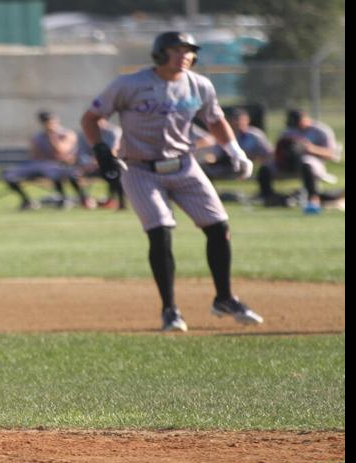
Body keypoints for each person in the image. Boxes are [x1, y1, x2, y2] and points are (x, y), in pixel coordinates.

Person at [81, 31, 263, 333]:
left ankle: (225, 298)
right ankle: (170, 310)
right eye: (176, 50)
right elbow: (90, 118)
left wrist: (235, 151)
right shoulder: (130, 84)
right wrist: (101, 148)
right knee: (161, 231)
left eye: (189, 51)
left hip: (184, 164)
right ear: (159, 54)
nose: (184, 56)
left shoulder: (199, 85)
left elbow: (214, 119)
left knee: (219, 227)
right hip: (140, 168)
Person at [2, 111, 95, 210]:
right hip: (41, 164)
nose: (49, 124)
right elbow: (34, 155)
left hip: (60, 165)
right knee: (9, 174)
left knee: (56, 173)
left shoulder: (66, 134)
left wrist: (52, 137)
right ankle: (27, 201)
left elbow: (62, 151)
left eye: (51, 121)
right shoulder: (38, 136)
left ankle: (69, 199)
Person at [276, 109, 343, 214]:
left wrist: (311, 149)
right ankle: (269, 197)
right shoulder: (288, 131)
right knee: (266, 168)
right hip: (287, 163)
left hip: (314, 162)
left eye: (297, 122)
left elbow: (333, 155)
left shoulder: (321, 130)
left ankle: (313, 200)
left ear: (306, 119)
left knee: (306, 163)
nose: (296, 126)